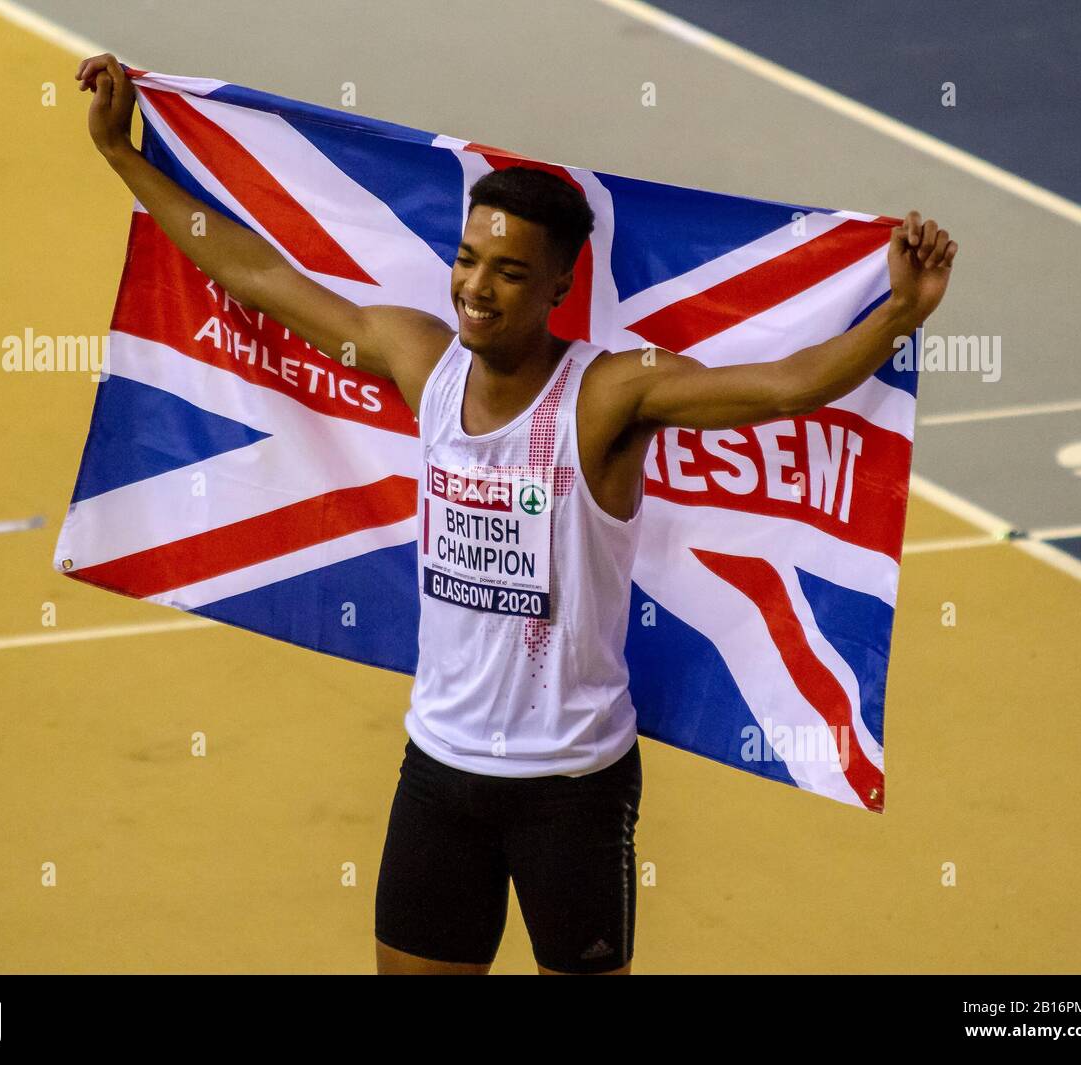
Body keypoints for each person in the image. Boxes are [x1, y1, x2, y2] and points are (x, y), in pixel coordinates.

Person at [77, 54, 958, 975]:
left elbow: (784, 387)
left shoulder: (609, 397)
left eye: (507, 271)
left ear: (558, 288)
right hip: (440, 773)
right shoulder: (423, 360)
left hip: (569, 790)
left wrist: (897, 311)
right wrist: (122, 155)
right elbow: (260, 275)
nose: (475, 287)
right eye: (466, 258)